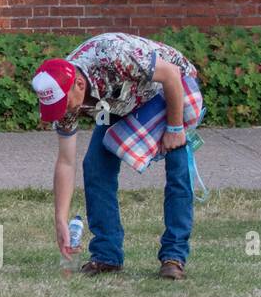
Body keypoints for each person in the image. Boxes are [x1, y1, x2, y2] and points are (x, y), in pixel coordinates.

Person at [31, 33, 200, 280]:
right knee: (95, 165)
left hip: (170, 87)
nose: (63, 112)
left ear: (78, 84)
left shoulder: (113, 56)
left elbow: (172, 74)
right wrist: (60, 220)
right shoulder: (63, 97)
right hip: (119, 103)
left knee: (177, 162)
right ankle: (106, 256)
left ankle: (173, 257)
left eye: (63, 105)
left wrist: (175, 130)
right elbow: (66, 162)